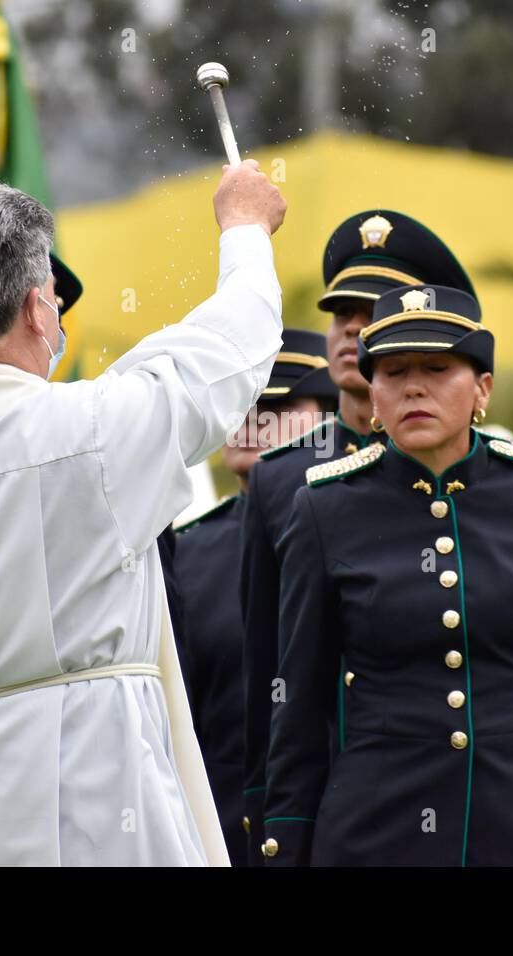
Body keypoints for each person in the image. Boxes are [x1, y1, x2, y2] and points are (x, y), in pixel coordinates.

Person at [0, 162, 286, 866]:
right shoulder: (92, 430)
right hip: (98, 795)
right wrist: (245, 229)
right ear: (39, 308)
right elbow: (229, 350)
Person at [262, 284, 513, 866]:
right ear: (373, 390)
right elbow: (300, 710)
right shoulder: (324, 509)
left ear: (482, 388)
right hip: (374, 835)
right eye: (392, 372)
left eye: (437, 369)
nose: (413, 386)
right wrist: (285, 845)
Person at [240, 211, 476, 861]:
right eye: (340, 312)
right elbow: (267, 676)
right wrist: (271, 821)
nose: (350, 328)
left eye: (371, 310)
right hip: (335, 812)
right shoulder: (279, 484)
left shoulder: (492, 481)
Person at [173, 328, 336, 864]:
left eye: (280, 405)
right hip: (220, 840)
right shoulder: (186, 550)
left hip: (349, 832)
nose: (254, 422)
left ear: (330, 419)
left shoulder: (370, 535)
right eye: (241, 404)